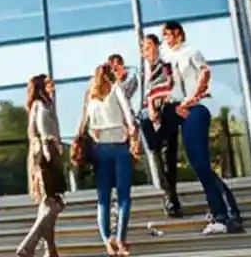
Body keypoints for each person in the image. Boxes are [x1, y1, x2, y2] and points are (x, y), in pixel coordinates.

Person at [161, 20, 243, 235]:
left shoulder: (191, 52)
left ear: (177, 33)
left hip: (195, 109)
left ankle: (225, 215)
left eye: (167, 34)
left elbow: (205, 73)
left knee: (201, 164)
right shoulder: (167, 57)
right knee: (198, 165)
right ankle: (224, 214)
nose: (165, 39)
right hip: (179, 111)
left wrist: (192, 98)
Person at [79, 63, 137, 256]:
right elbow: (128, 115)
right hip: (119, 147)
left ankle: (107, 240)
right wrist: (132, 131)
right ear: (110, 74)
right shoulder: (116, 89)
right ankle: (120, 239)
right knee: (123, 197)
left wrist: (96, 135)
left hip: (101, 149)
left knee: (103, 198)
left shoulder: (91, 97)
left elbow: (88, 127)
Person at [17, 74, 66, 257]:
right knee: (52, 204)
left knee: (48, 206)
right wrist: (50, 153)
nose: (52, 84)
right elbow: (44, 132)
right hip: (45, 157)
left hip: (49, 155)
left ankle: (50, 251)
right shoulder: (40, 106)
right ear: (40, 87)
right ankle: (27, 246)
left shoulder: (48, 104)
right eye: (48, 83)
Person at [137, 34, 182, 218]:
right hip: (149, 115)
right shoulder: (141, 71)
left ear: (157, 46)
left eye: (148, 45)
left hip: (167, 111)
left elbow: (170, 84)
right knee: (155, 153)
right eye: (143, 47)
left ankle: (171, 196)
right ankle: (167, 193)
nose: (145, 50)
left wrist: (154, 99)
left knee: (168, 156)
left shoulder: (166, 64)